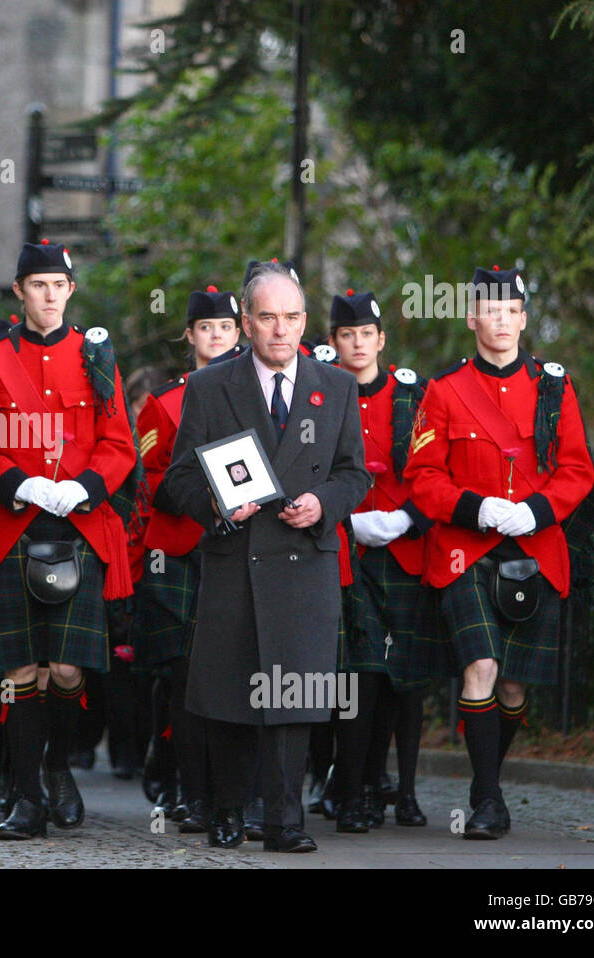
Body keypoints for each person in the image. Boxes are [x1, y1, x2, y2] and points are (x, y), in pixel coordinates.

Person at [162, 261, 370, 852]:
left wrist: (323, 503)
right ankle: (227, 810)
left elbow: (355, 473)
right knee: (231, 693)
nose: (282, 330)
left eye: (293, 318)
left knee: (296, 694)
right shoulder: (208, 387)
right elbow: (177, 478)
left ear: (306, 322)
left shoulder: (338, 387)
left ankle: (285, 822)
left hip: (306, 560)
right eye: (269, 318)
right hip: (236, 560)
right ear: (247, 323)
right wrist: (217, 508)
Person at [0, 239, 139, 840]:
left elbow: (119, 445)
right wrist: (21, 484)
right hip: (16, 526)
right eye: (39, 285)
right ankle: (28, 797)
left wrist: (84, 486)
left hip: (77, 525)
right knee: (20, 670)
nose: (50, 296)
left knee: (65, 667)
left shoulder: (96, 356)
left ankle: (59, 762)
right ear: (20, 292)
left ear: (71, 291)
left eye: (60, 286)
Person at [403, 265, 594, 839]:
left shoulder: (554, 387)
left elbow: (578, 469)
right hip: (466, 550)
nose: (503, 321)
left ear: (524, 319)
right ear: (472, 318)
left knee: (513, 687)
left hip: (536, 551)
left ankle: (489, 775)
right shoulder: (442, 392)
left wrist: (535, 511)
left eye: (512, 311)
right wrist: (474, 508)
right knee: (481, 667)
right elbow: (422, 476)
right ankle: (487, 799)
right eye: (492, 311)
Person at [325, 288, 445, 831]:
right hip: (348, 553)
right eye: (346, 335)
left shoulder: (415, 395)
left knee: (407, 680)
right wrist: (347, 521)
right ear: (333, 341)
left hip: (408, 550)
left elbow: (440, 467)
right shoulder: (320, 393)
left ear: (381, 339)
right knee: (359, 677)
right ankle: (354, 792)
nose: (356, 344)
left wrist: (406, 520)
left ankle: (405, 791)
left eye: (365, 335)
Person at [133, 286, 244, 834]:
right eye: (206, 327)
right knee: (183, 677)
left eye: (226, 326)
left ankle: (235, 797)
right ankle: (193, 795)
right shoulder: (163, 402)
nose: (217, 336)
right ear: (190, 336)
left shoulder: (258, 393)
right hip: (181, 547)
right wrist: (205, 499)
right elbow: (151, 480)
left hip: (240, 546)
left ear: (239, 332)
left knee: (235, 674)